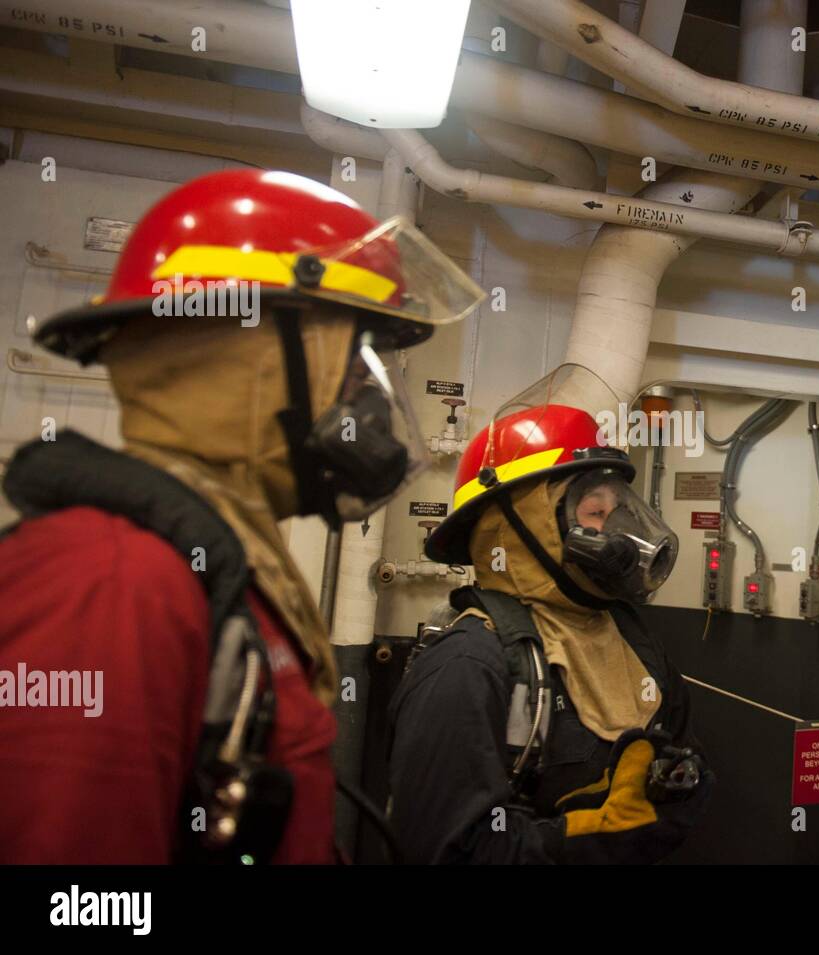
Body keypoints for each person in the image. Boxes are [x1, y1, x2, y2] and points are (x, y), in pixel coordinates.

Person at [0, 169, 483, 863]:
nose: (372, 404)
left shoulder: (220, 569)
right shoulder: (110, 580)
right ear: (253, 355)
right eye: (354, 365)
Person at [388, 365, 712, 863]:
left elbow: (689, 779)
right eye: (594, 513)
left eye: (616, 510)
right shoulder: (469, 665)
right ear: (522, 525)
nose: (618, 534)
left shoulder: (632, 642)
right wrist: (595, 835)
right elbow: (450, 850)